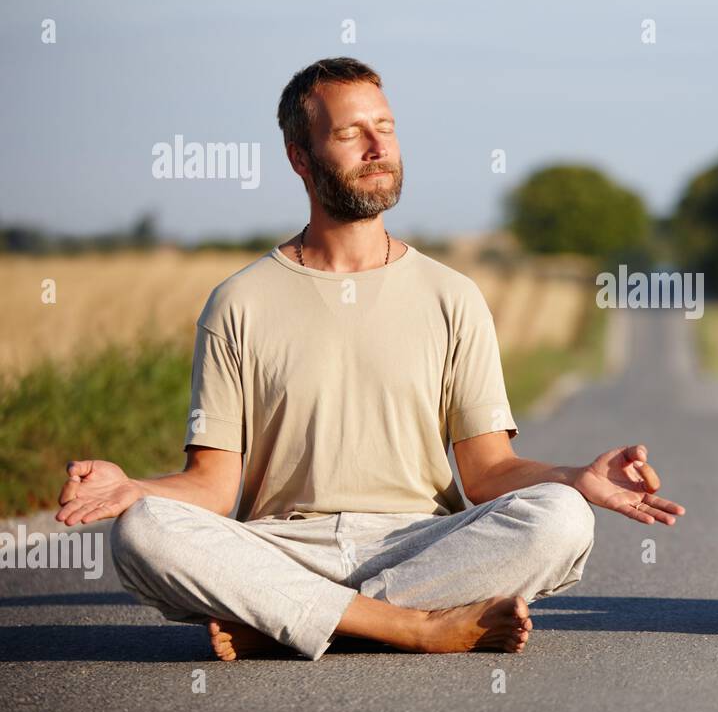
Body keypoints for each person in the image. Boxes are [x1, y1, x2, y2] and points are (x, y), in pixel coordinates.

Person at [56, 57, 684, 661]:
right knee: (143, 531)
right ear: (300, 157)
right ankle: (406, 627)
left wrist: (576, 476)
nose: (378, 148)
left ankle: (291, 622)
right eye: (352, 133)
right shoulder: (238, 303)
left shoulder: (453, 297)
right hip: (281, 547)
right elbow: (213, 489)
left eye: (385, 128)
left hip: (421, 545)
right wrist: (131, 487)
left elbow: (488, 473)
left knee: (563, 517)